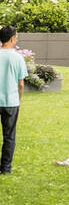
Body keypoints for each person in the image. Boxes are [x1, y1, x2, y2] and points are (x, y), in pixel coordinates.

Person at [0, 25, 28, 175]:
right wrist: (19, 99)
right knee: (9, 136)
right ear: (12, 38)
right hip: (11, 102)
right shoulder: (17, 57)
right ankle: (5, 169)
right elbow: (21, 83)